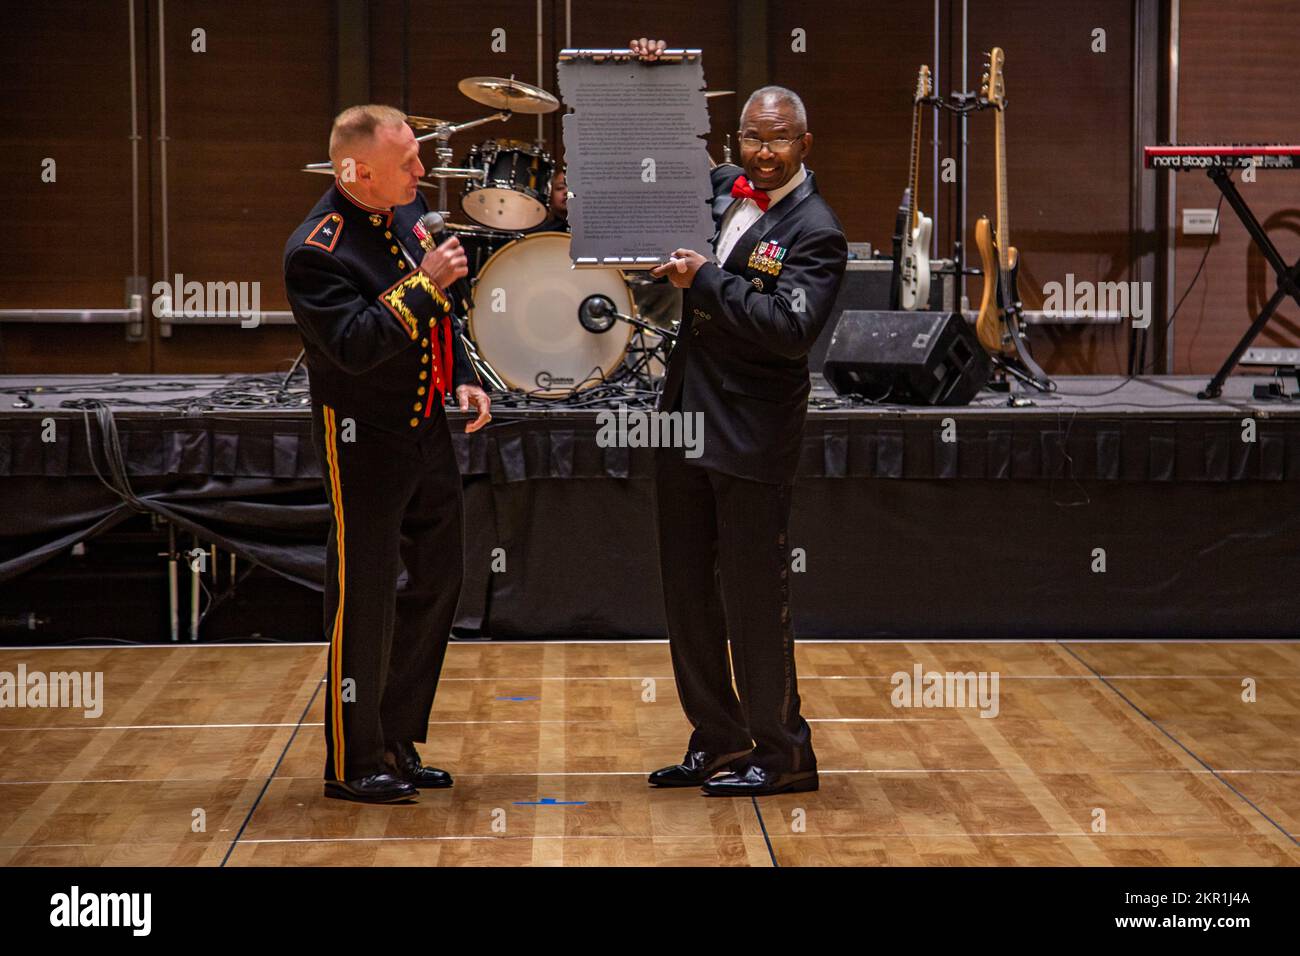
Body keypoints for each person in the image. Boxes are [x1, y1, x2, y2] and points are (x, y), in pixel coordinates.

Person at [634, 39, 849, 796]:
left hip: (753, 435)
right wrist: (653, 76)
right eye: (753, 137)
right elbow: (655, 155)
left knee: (754, 597)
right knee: (686, 590)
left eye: (779, 138)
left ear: (805, 143)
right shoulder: (723, 186)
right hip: (683, 423)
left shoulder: (818, 232)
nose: (763, 152)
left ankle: (784, 752)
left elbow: (789, 330)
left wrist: (707, 280)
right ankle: (717, 738)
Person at [283, 104, 492, 804]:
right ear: (357, 170)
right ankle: (353, 756)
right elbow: (355, 345)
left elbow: (444, 317)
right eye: (408, 163)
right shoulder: (317, 250)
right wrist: (426, 283)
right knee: (365, 595)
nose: (422, 172)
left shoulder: (407, 210)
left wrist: (462, 373)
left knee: (439, 582)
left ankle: (398, 739)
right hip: (363, 440)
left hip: (428, 425)